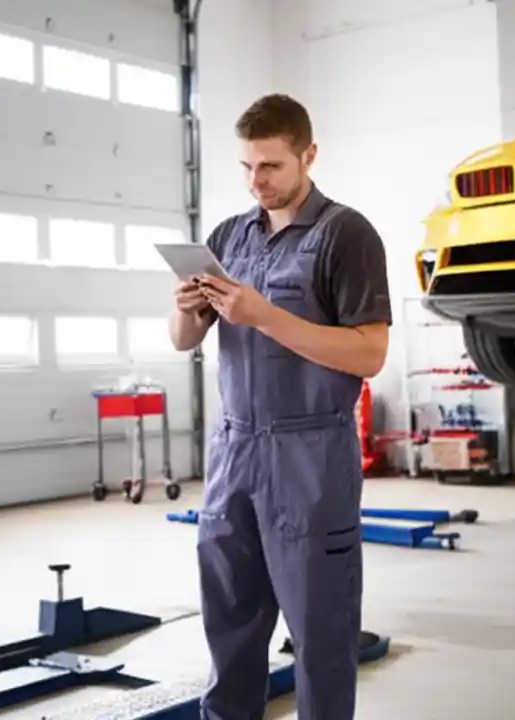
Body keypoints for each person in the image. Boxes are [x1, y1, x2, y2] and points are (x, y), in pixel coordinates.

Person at [168, 93, 392, 719]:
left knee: (320, 636)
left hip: (310, 457)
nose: (256, 181)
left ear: (308, 155)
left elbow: (370, 353)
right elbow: (184, 340)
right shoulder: (227, 236)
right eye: (246, 167)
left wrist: (264, 315)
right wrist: (187, 312)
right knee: (230, 627)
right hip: (234, 451)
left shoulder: (345, 235)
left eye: (270, 166)